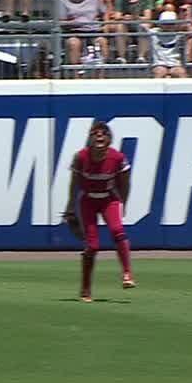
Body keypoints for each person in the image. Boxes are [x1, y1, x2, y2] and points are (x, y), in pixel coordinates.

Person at [62, 121, 136, 303]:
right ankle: (85, 290)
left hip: (108, 199)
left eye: (104, 133)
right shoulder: (81, 157)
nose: (100, 136)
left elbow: (125, 183)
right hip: (88, 200)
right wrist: (70, 207)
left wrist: (123, 203)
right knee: (93, 246)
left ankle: (127, 273)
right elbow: (74, 184)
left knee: (117, 230)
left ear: (110, 140)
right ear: (90, 138)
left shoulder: (117, 158)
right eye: (96, 133)